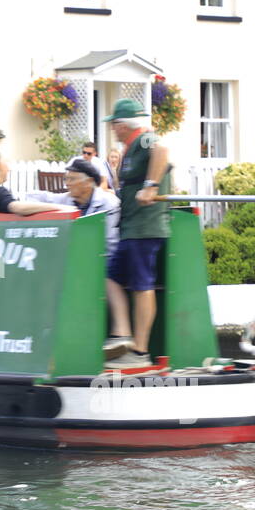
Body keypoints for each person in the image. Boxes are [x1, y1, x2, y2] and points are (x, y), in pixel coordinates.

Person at [102, 99, 172, 369]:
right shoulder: (129, 149)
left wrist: (151, 186)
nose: (112, 129)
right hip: (130, 227)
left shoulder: (144, 140)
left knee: (143, 285)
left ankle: (141, 352)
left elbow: (162, 150)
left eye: (114, 124)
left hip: (145, 227)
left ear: (122, 125)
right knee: (111, 276)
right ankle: (122, 334)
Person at [62, 157, 119, 255]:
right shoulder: (67, 199)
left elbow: (109, 246)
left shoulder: (109, 203)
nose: (67, 184)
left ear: (88, 182)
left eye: (72, 179)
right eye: (66, 179)